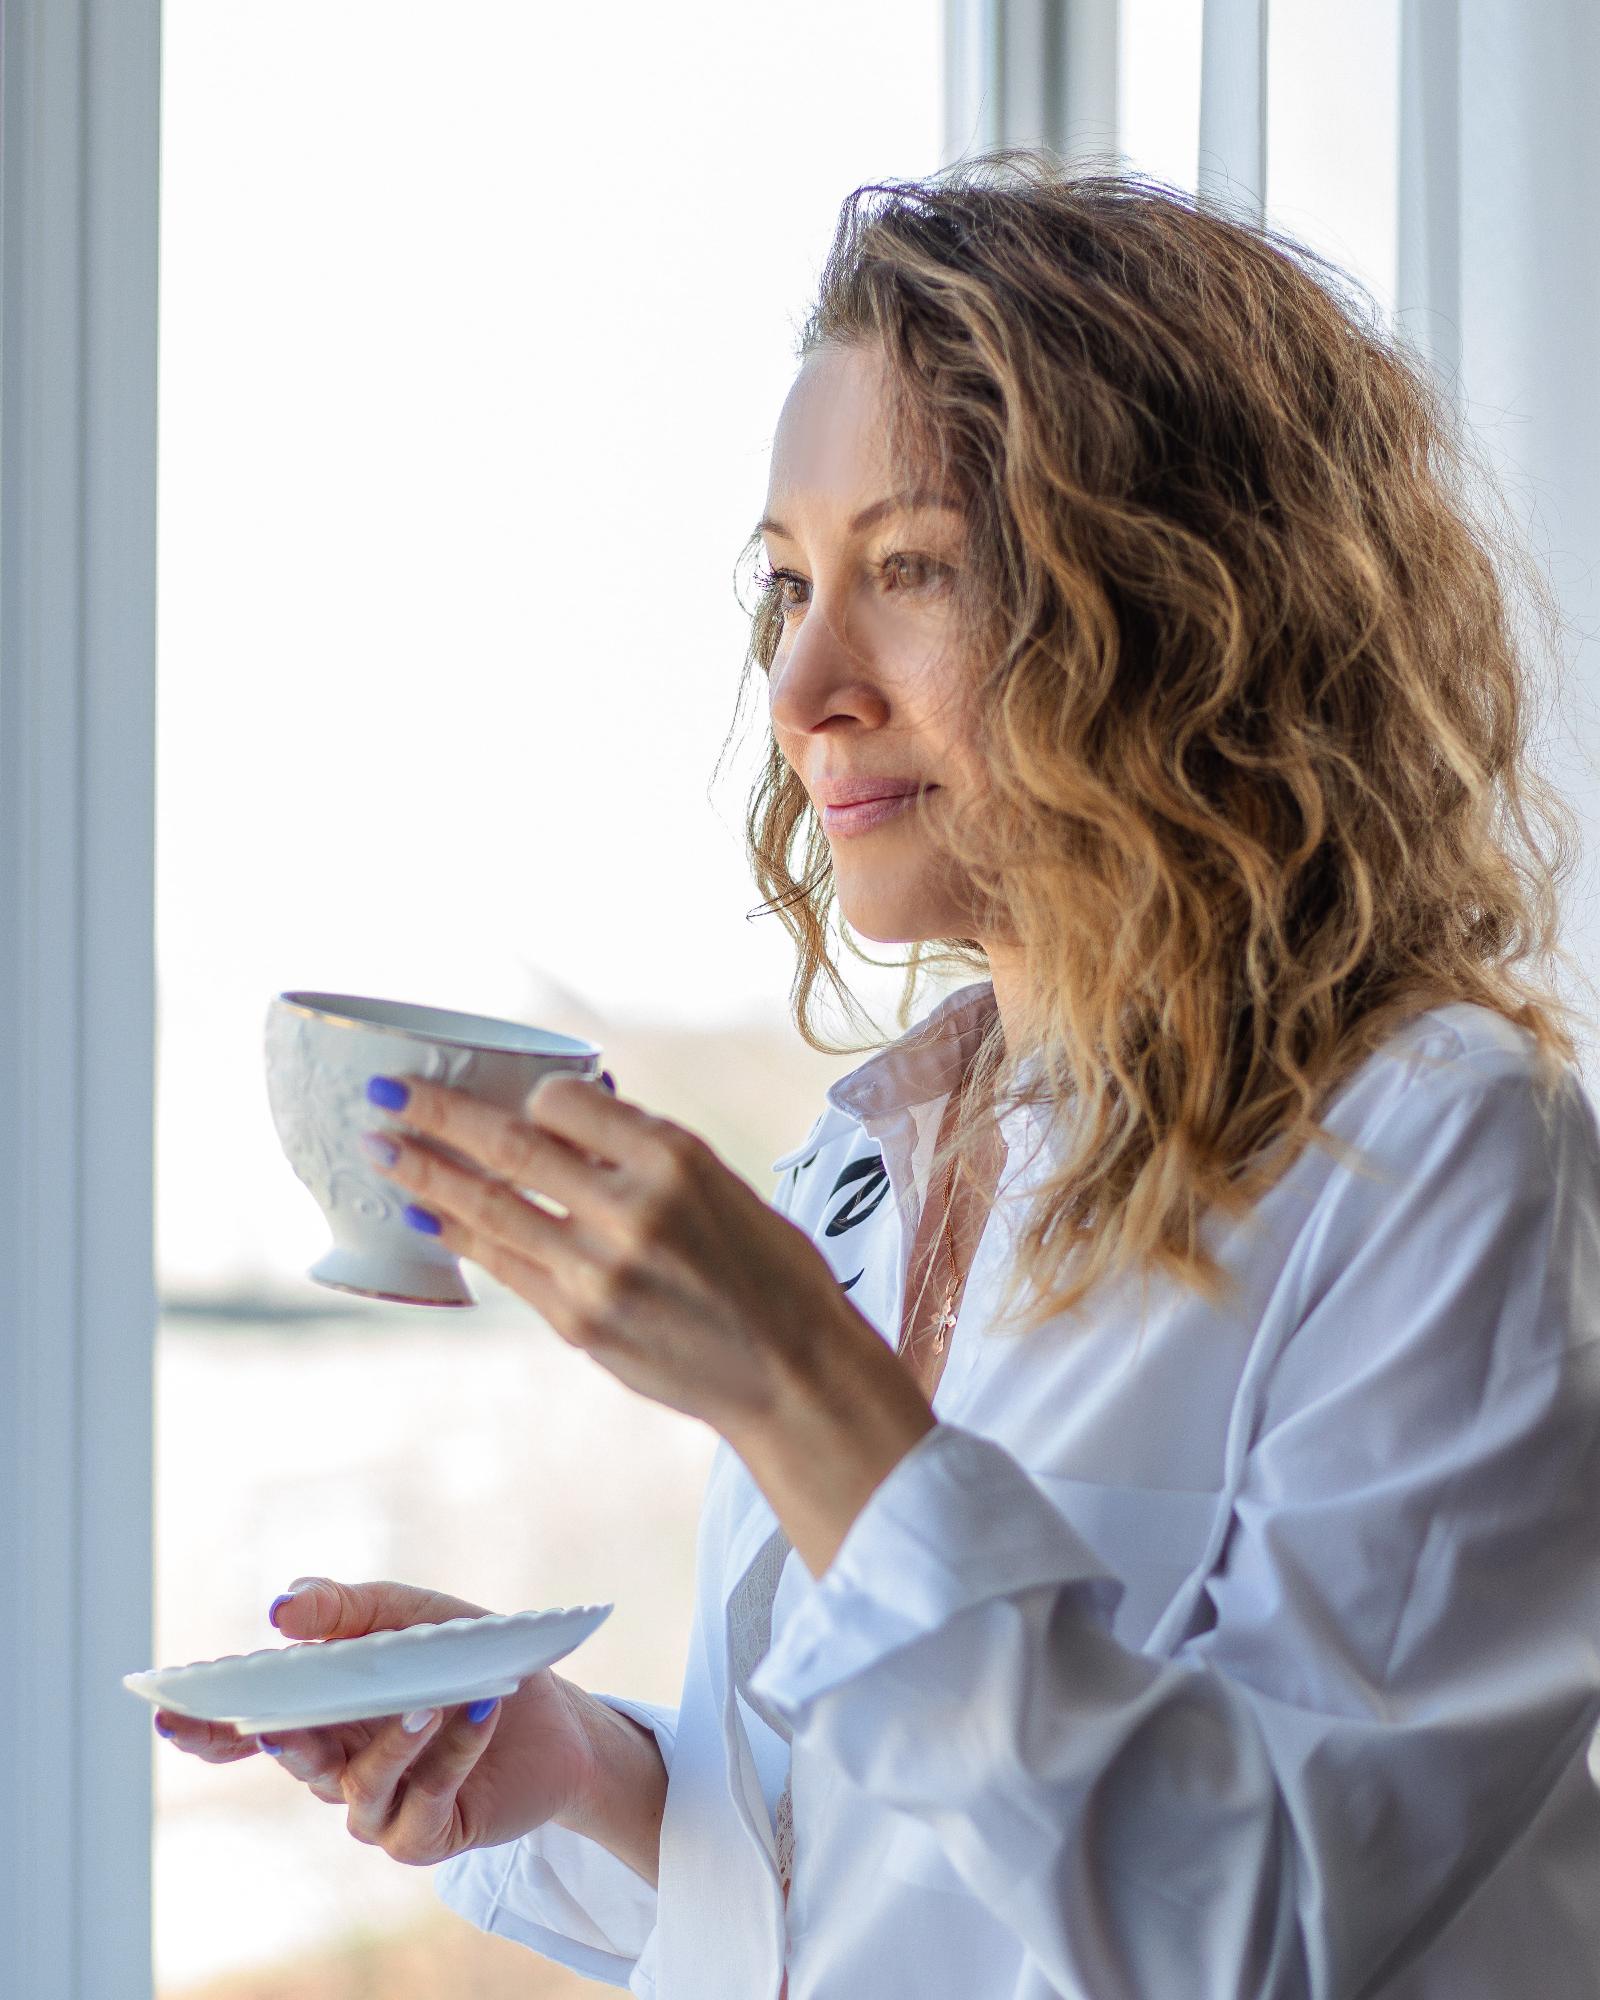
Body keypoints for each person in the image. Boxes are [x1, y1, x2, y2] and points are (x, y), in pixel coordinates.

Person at [156, 149, 1600, 1999]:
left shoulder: (1437, 1148)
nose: (805, 682)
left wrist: (800, 1396)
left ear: (1185, 607)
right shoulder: (880, 1158)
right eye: (788, 585)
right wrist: (589, 1778)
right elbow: (881, 1867)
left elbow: (1262, 1926)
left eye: (910, 569)